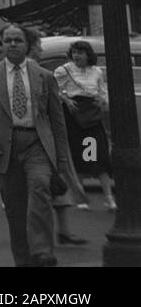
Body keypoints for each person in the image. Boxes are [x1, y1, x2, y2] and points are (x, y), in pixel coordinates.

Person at [0, 23, 74, 268]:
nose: (12, 44)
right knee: (15, 209)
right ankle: (24, 261)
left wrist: (62, 160)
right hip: (5, 148)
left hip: (37, 145)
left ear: (28, 44)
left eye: (18, 40)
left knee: (40, 190)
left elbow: (57, 121)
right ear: (2, 44)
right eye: (8, 40)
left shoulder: (44, 76)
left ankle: (43, 252)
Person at [54, 40, 115, 212]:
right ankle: (81, 196)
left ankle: (109, 197)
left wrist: (102, 101)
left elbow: (103, 92)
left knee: (97, 154)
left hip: (91, 116)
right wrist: (65, 99)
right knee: (77, 154)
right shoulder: (63, 70)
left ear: (88, 55)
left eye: (80, 52)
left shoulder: (96, 72)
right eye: (74, 52)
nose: (77, 56)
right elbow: (53, 89)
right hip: (73, 115)